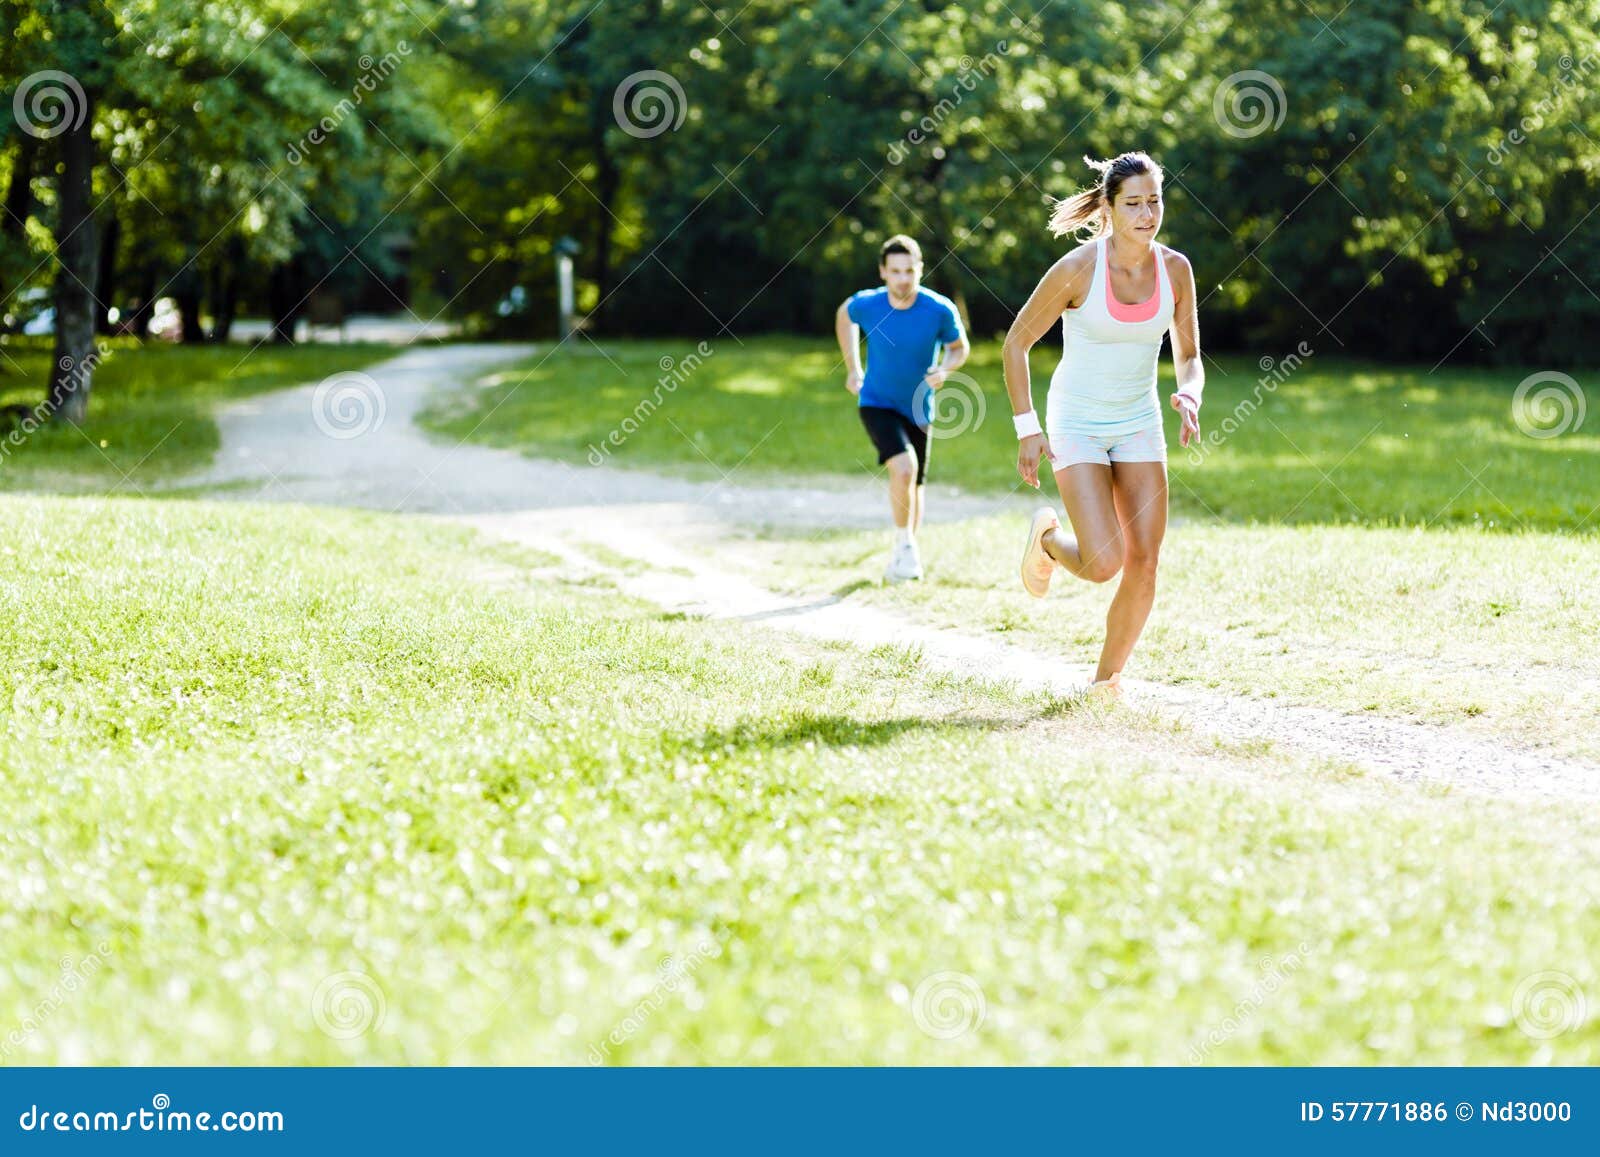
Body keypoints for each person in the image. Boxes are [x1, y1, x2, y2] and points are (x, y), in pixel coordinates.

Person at [1003, 152, 1204, 698]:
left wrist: (1189, 392)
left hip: (1139, 421)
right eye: (1133, 204)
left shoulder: (1175, 269)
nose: (1147, 214)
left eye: (1154, 201)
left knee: (1145, 561)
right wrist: (1027, 428)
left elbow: (1189, 354)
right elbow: (1016, 343)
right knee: (1102, 563)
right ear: (1109, 209)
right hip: (1078, 422)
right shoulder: (1079, 269)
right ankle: (1048, 542)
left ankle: (1104, 685)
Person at [835, 235, 969, 582]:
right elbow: (844, 314)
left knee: (915, 484)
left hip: (919, 408)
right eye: (895, 271)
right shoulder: (869, 304)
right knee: (904, 469)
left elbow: (959, 347)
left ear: (920, 269)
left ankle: (904, 551)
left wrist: (945, 369)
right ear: (883, 271)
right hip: (876, 402)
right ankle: (905, 546)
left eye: (910, 271)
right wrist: (852, 368)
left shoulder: (938, 309)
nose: (903, 279)